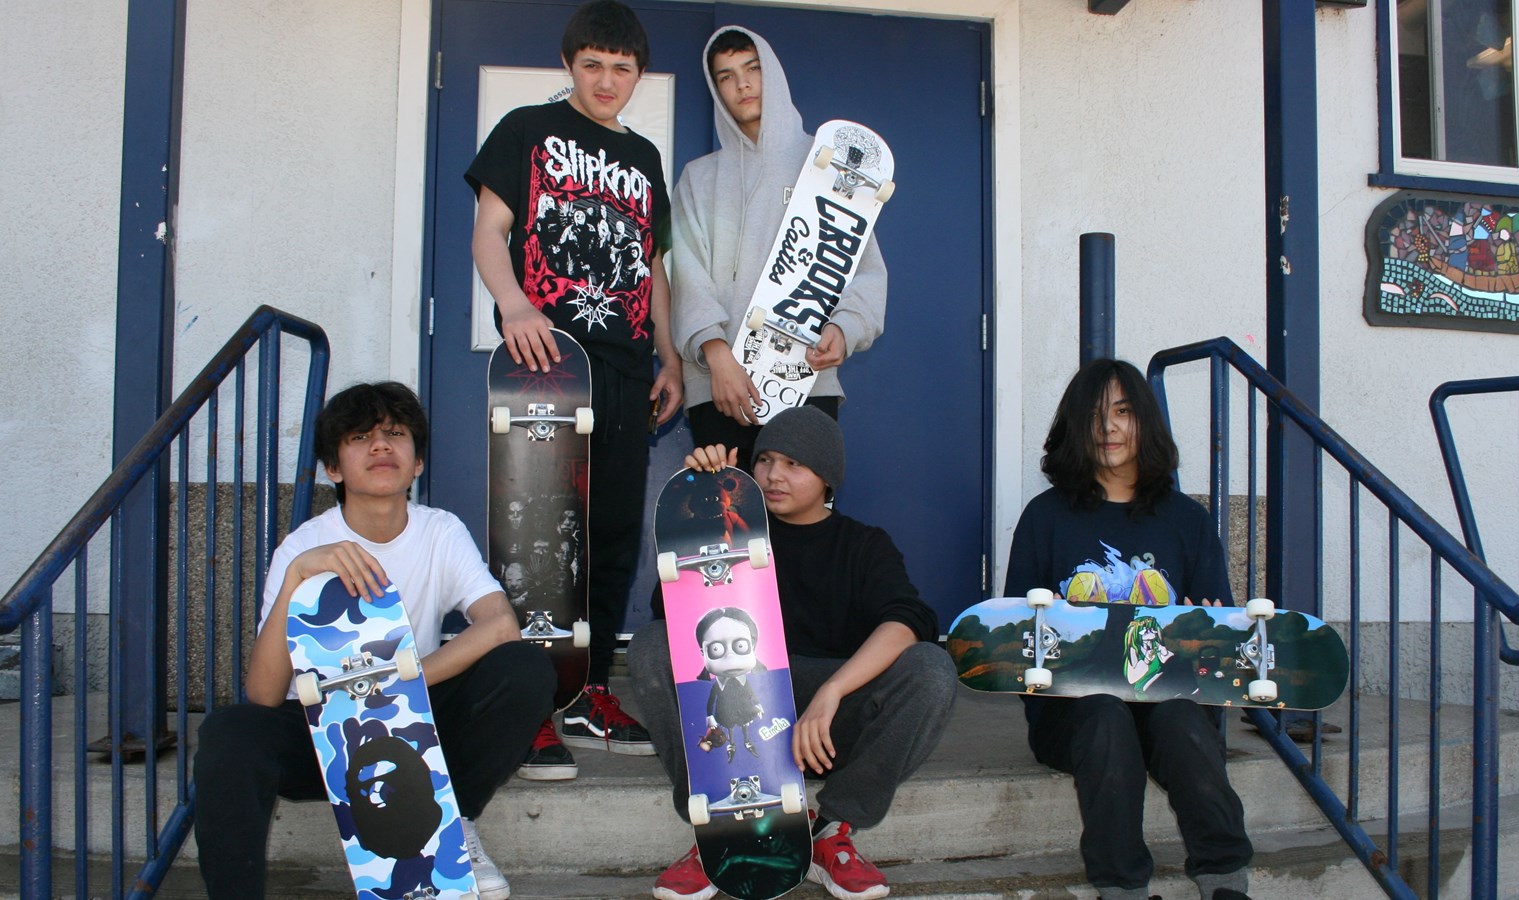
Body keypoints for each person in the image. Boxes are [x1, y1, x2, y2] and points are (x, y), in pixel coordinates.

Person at [192, 382, 549, 900]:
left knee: (522, 667)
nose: (381, 446)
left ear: (417, 462)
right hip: (323, 732)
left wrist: (396, 680)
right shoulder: (304, 545)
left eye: (395, 434)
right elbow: (264, 695)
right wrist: (297, 576)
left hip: (410, 724)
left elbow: (500, 625)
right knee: (230, 732)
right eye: (361, 437)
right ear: (333, 469)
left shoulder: (438, 531)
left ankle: (454, 823)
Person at [466, 0, 682, 777]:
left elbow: (651, 269)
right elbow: (490, 230)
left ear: (638, 76)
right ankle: (529, 702)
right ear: (570, 66)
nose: (607, 81)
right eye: (593, 65)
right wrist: (515, 303)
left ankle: (589, 689)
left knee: (616, 533)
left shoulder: (646, 157)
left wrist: (670, 356)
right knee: (538, 535)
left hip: (625, 369)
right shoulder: (526, 129)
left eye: (622, 68)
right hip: (546, 358)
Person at [631, 406, 956, 900]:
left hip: (822, 723)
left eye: (794, 464)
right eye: (765, 460)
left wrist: (832, 692)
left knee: (932, 669)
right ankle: (720, 822)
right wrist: (704, 511)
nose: (773, 475)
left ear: (828, 479)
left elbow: (909, 620)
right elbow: (673, 611)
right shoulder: (734, 534)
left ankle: (831, 827)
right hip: (737, 706)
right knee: (652, 643)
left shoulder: (863, 544)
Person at [1004, 359, 1254, 900]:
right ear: (1075, 426)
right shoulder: (1045, 518)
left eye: (1122, 412)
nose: (1108, 428)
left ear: (1145, 421)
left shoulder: (1186, 520)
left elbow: (1222, 653)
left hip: (1168, 704)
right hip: (1075, 717)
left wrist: (1202, 631)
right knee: (1102, 711)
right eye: (1093, 415)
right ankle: (1121, 889)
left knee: (1183, 720)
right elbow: (1015, 640)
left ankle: (1226, 880)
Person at [670, 27, 887, 465]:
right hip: (717, 384)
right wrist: (717, 356)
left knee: (804, 524)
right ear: (716, 88)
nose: (743, 84)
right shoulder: (699, 177)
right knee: (728, 526)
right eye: (726, 76)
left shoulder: (828, 165)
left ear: (773, 73)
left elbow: (866, 269)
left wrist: (844, 329)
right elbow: (685, 273)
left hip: (805, 377)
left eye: (752, 69)